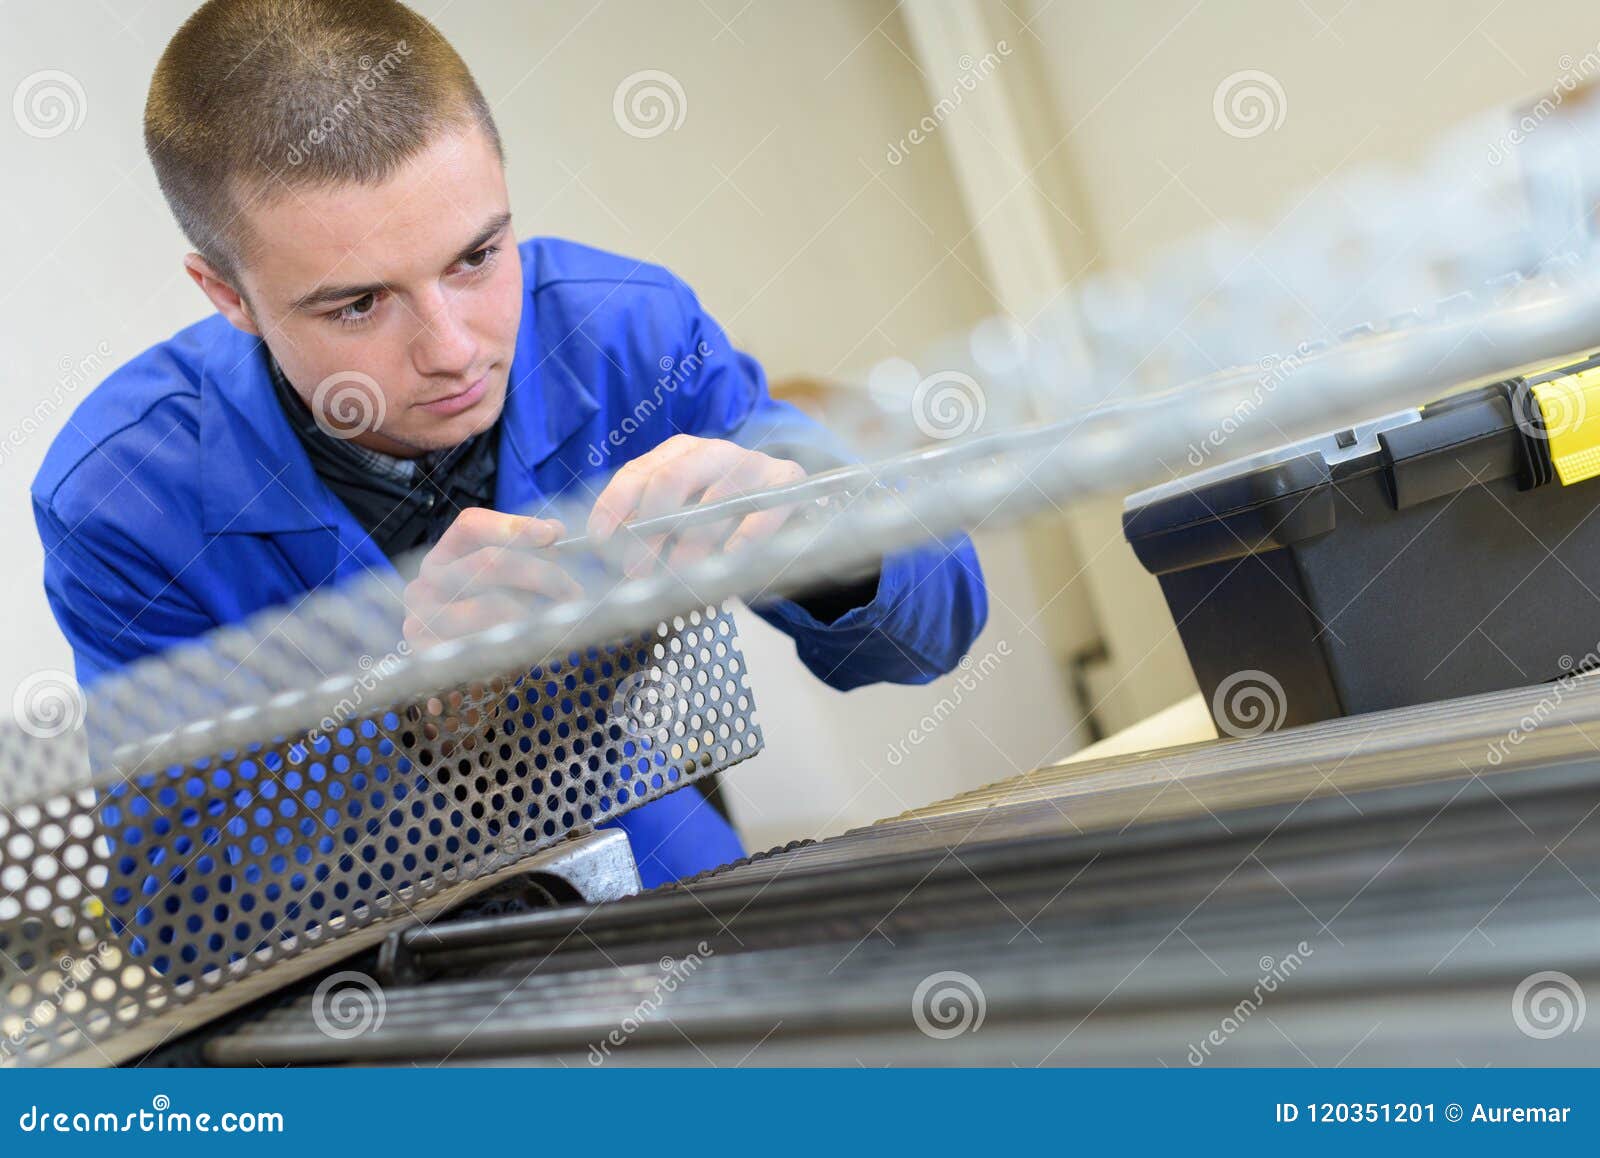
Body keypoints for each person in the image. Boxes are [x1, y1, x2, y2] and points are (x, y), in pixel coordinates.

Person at [30, 0, 987, 887]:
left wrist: (818, 539)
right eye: (359, 303)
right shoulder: (125, 494)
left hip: (617, 809)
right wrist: (425, 726)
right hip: (344, 945)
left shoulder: (625, 337)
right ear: (227, 295)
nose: (454, 352)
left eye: (477, 257)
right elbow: (179, 898)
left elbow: (936, 621)